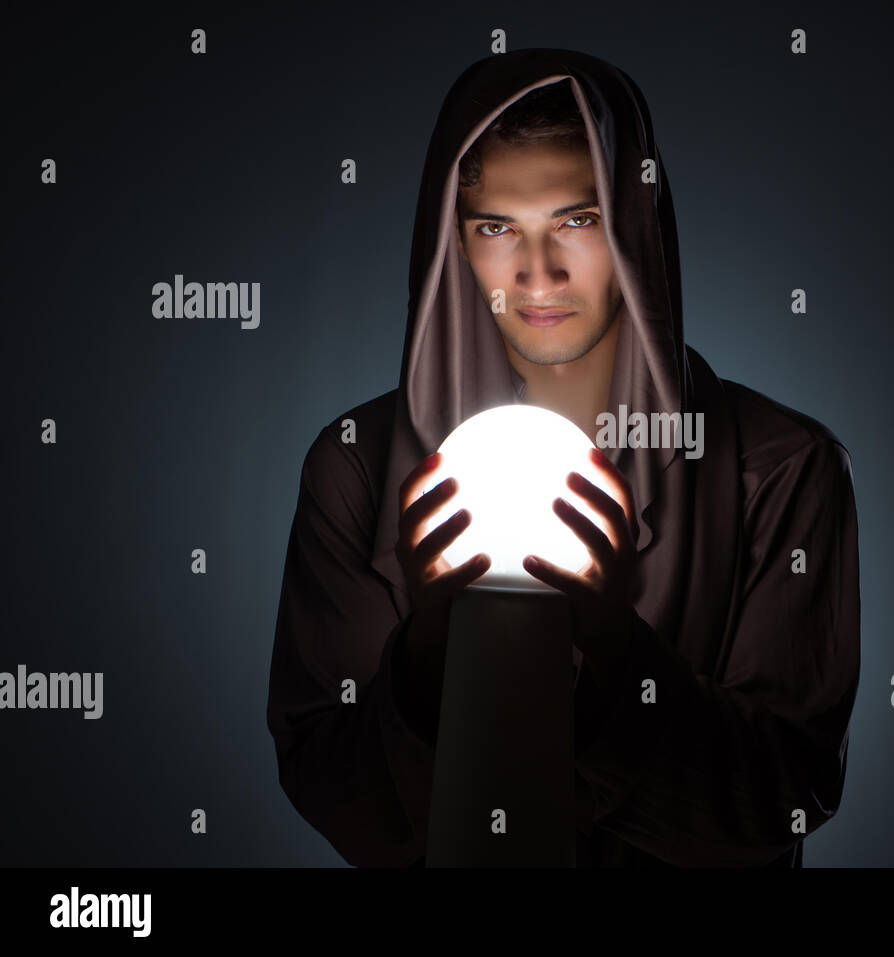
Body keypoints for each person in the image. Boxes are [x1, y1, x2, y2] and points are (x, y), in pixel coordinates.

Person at [266, 48, 861, 867]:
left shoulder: (782, 467)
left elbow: (789, 792)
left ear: (635, 228)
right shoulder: (359, 466)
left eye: (577, 221)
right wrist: (431, 647)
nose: (536, 272)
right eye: (496, 226)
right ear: (454, 242)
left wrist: (617, 650)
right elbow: (328, 783)